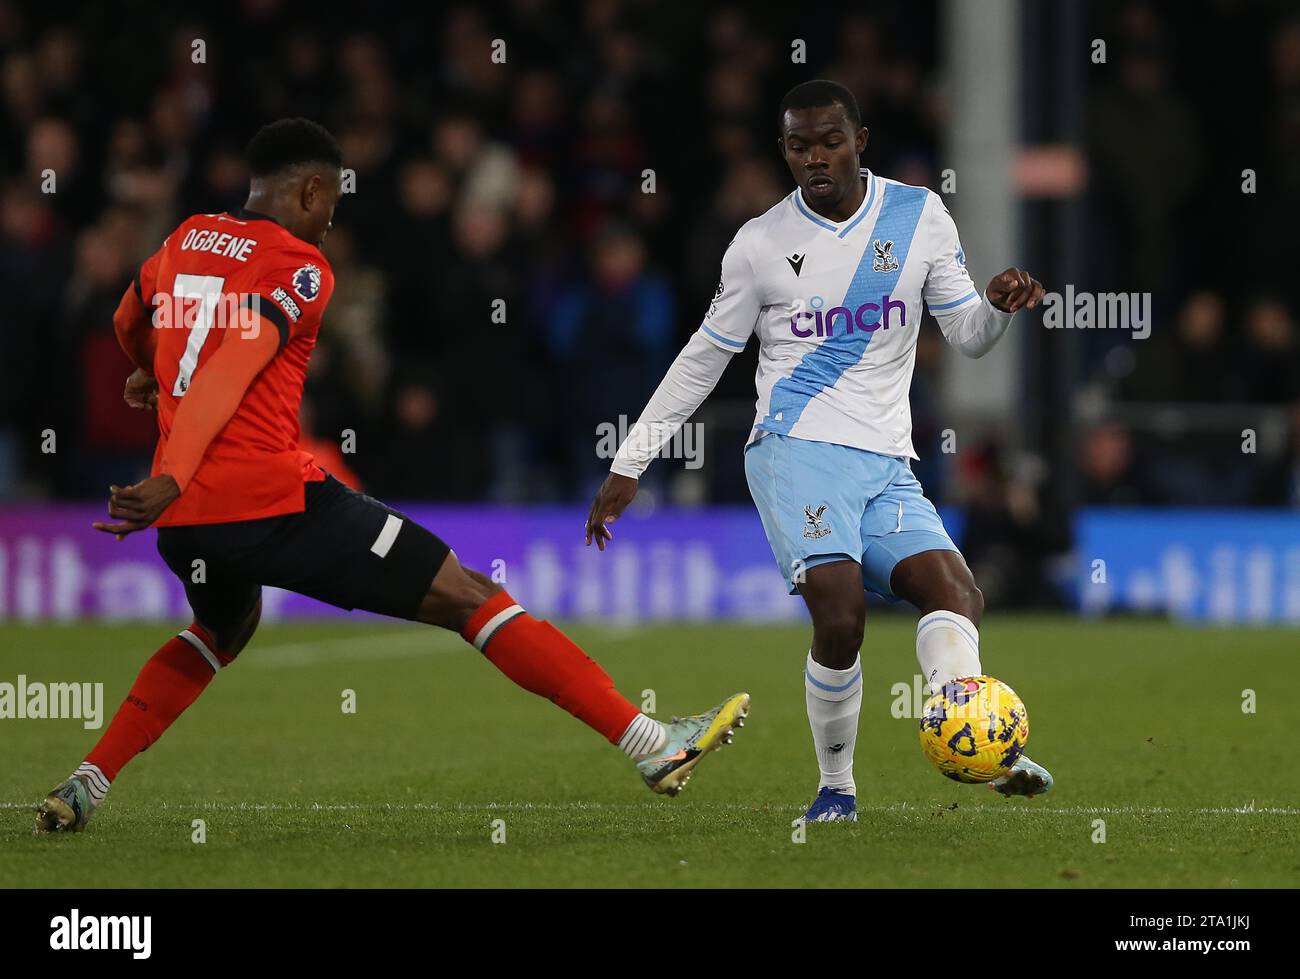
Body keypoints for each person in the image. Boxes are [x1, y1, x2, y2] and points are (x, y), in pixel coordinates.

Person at [37, 118, 748, 834]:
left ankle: (89, 778)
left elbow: (130, 315)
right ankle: (650, 742)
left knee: (220, 627)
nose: (332, 220)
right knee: (470, 593)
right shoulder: (299, 266)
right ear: (313, 190)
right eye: (334, 204)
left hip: (187, 522)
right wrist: (176, 468)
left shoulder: (187, 235)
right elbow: (230, 367)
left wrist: (148, 376)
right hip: (267, 499)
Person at [585, 81, 1049, 823]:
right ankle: (838, 790)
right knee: (840, 616)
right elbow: (704, 356)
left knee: (958, 594)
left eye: (830, 140)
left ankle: (977, 744)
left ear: (859, 139)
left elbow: (967, 335)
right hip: (793, 448)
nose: (815, 158)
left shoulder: (919, 215)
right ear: (784, 151)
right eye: (799, 146)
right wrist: (631, 460)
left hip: (885, 459)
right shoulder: (760, 244)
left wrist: (995, 306)